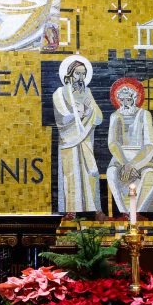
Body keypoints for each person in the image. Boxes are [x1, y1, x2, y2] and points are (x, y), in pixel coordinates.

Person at [52, 54, 102, 214]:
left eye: (83, 74)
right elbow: (62, 117)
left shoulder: (88, 92)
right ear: (69, 74)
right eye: (77, 73)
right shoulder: (59, 93)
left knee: (91, 172)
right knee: (71, 173)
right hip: (69, 140)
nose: (81, 77)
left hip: (86, 140)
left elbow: (98, 117)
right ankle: (71, 211)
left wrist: (88, 110)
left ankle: (92, 210)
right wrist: (81, 111)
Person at [106, 78, 153, 214]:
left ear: (134, 98)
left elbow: (150, 144)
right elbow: (113, 143)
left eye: (128, 99)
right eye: (122, 100)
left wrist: (134, 165)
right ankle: (124, 213)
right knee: (112, 173)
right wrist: (125, 164)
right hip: (120, 159)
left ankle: (137, 213)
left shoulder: (144, 115)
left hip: (143, 158)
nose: (125, 103)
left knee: (150, 175)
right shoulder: (115, 116)